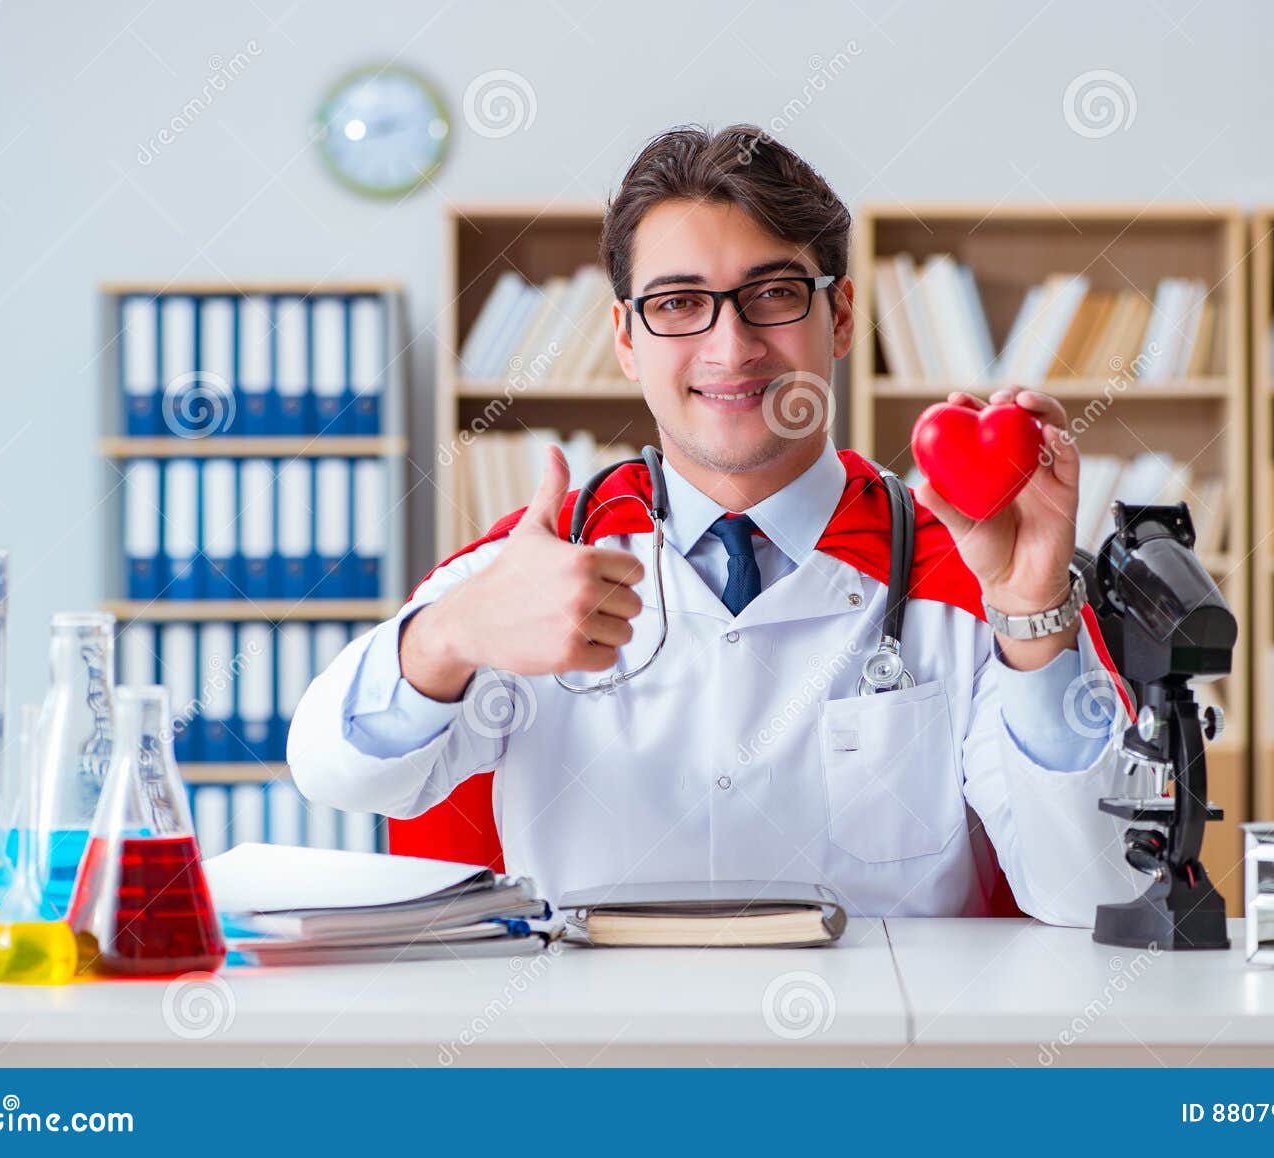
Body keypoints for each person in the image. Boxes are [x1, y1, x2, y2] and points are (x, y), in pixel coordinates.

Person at [289, 123, 1143, 923]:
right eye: (677, 303)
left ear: (839, 317)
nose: (730, 348)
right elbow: (337, 771)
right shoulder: (534, 572)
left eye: (771, 294)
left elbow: (1099, 888)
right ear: (626, 337)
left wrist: (1032, 613)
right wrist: (448, 636)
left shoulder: (962, 579)